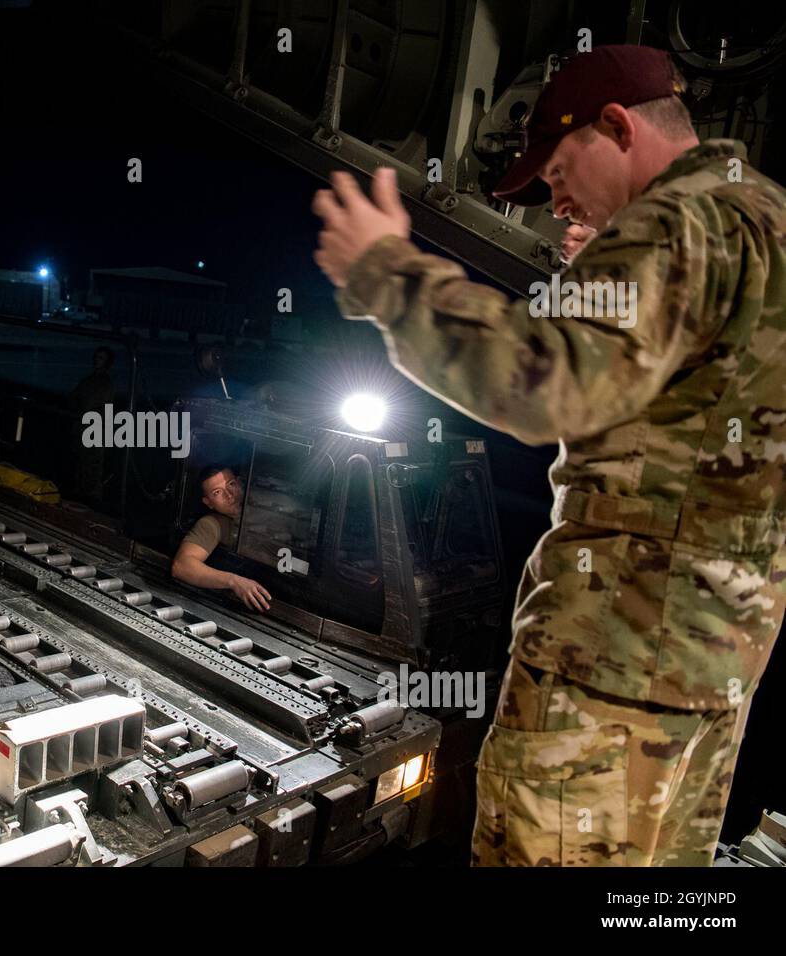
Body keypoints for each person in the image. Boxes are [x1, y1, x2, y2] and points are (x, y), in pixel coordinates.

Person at [312, 44, 786, 866]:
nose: (551, 194)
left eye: (559, 167)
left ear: (616, 124)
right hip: (714, 668)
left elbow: (544, 386)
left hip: (612, 665)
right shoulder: (767, 217)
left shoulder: (678, 221)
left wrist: (386, 274)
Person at [171, 464, 272, 612]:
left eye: (231, 484)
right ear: (208, 502)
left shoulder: (264, 508)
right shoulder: (212, 524)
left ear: (239, 483)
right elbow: (181, 566)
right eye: (217, 492)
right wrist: (233, 581)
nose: (229, 495)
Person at [70, 346, 115, 503]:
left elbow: (96, 405)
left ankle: (92, 498)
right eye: (97, 357)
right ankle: (82, 495)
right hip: (85, 427)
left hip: (94, 429)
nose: (97, 360)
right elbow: (75, 398)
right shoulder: (88, 381)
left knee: (92, 467)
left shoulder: (105, 383)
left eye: (101, 358)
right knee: (81, 465)